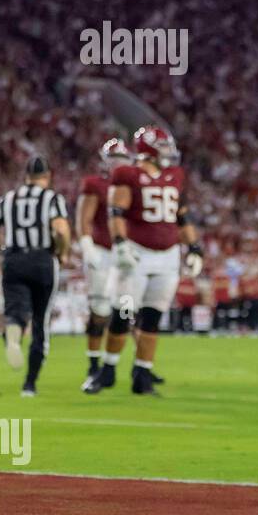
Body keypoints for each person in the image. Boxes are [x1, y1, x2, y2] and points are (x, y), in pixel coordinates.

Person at [85, 126, 203, 396]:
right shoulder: (127, 174)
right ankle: (108, 368)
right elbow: (116, 213)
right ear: (148, 149)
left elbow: (181, 216)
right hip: (137, 254)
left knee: (152, 318)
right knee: (123, 314)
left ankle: (143, 373)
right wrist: (121, 244)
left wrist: (194, 247)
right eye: (162, 146)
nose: (167, 152)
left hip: (168, 256)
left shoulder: (175, 175)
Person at [0, 155, 70, 396]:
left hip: (14, 259)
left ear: (26, 176)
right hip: (42, 260)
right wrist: (62, 252)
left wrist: (3, 246)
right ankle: (29, 384)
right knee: (41, 320)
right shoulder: (52, 199)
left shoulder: (8, 198)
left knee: (15, 314)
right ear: (48, 176)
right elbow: (61, 230)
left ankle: (13, 336)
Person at [75, 137, 132, 391]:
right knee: (99, 310)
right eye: (114, 159)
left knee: (128, 310)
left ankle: (140, 366)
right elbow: (84, 218)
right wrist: (87, 246)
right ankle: (93, 364)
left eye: (122, 159)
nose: (118, 164)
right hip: (102, 250)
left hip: (126, 252)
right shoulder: (95, 184)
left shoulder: (133, 185)